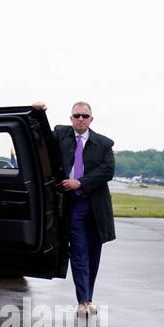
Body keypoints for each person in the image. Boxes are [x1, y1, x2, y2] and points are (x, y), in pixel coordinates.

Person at [46, 102, 116, 314]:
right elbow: (38, 136)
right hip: (73, 206)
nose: (80, 119)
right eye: (76, 115)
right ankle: (82, 301)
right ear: (71, 118)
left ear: (91, 119)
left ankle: (88, 297)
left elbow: (108, 171)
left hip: (95, 206)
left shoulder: (103, 143)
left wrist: (81, 182)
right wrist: (37, 111)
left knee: (93, 254)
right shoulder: (61, 134)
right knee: (79, 253)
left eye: (85, 116)